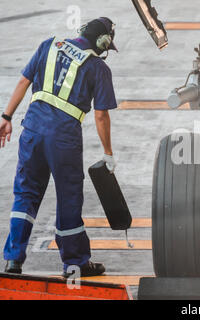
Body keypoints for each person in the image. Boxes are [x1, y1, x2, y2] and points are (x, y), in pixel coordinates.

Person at [0, 17, 119, 277]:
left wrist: (6, 118)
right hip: (63, 139)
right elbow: (101, 116)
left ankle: (13, 262)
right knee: (69, 198)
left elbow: (23, 82)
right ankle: (74, 264)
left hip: (31, 130)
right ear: (103, 42)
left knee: (26, 195)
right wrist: (108, 154)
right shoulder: (98, 67)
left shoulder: (49, 44)